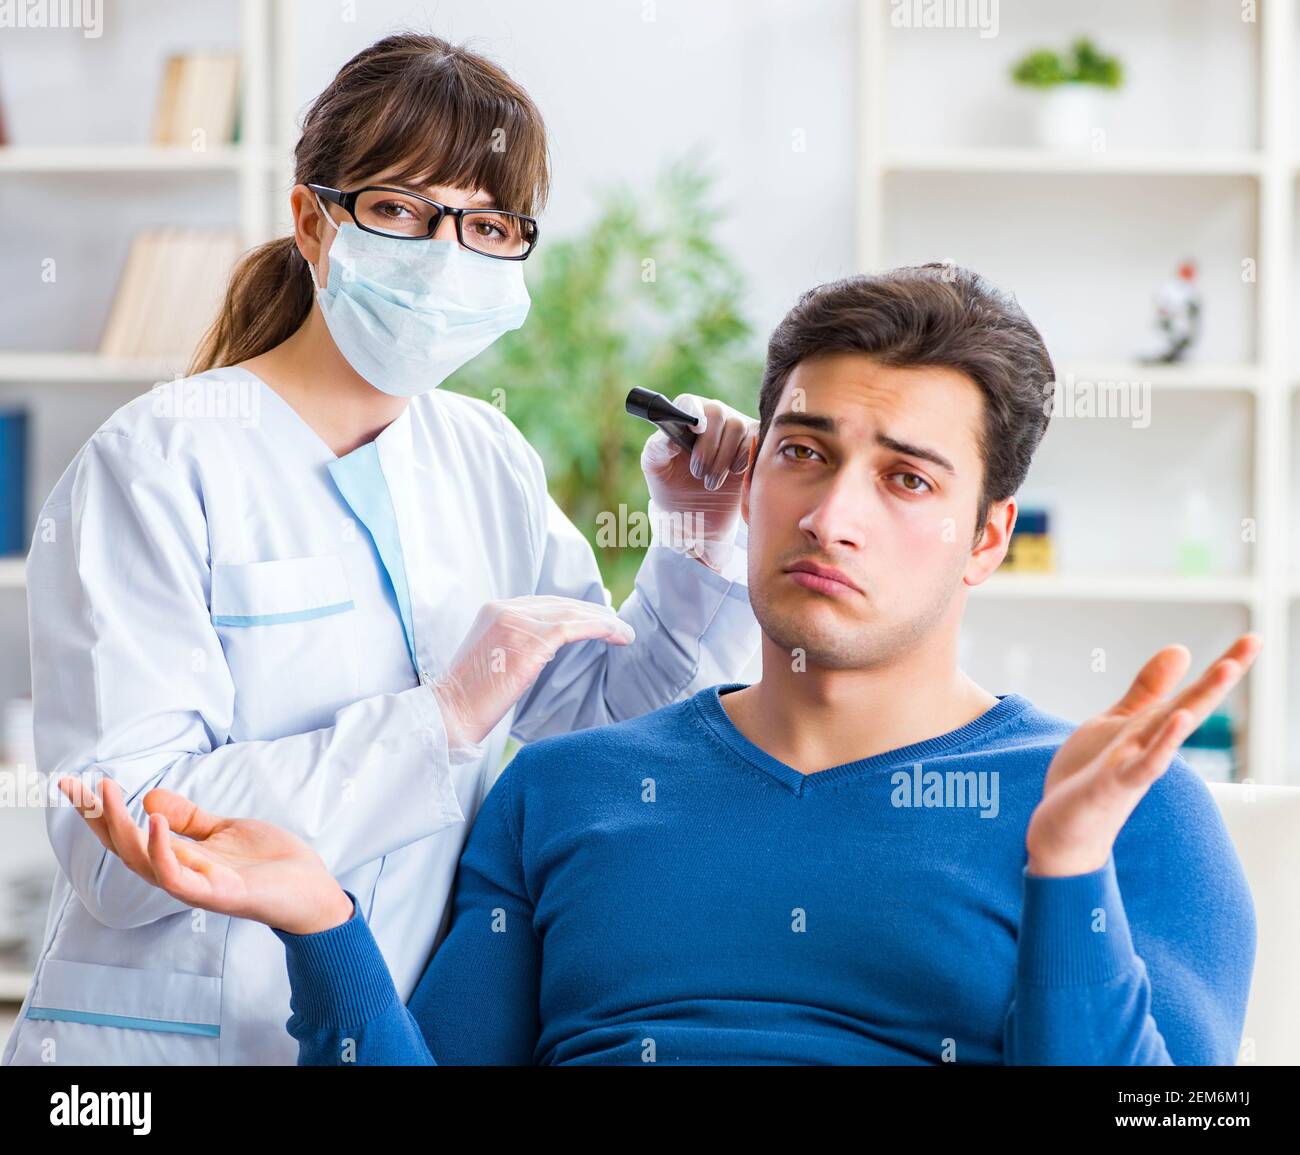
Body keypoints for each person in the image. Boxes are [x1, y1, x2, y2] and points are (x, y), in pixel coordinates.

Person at [59, 265, 1258, 1066]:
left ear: (988, 537)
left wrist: (1066, 869)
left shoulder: (1121, 816)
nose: (831, 514)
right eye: (803, 449)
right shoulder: (566, 789)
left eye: (905, 477)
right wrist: (323, 927)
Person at [3, 34, 759, 1066]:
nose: (446, 254)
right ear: (314, 221)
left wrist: (694, 543)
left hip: (382, 1029)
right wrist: (441, 718)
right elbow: (125, 844)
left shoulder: (484, 454)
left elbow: (609, 727)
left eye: (487, 223)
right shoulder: (157, 460)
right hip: (167, 1051)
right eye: (403, 209)